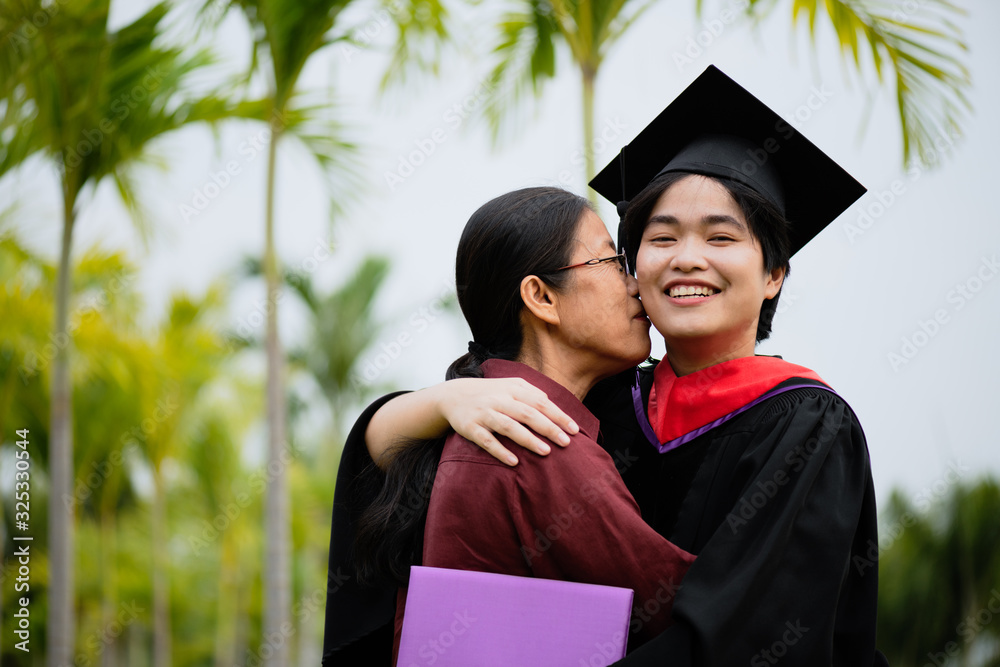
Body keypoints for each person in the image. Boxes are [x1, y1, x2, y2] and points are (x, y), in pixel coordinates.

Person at [323, 65, 885, 666]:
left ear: (773, 274)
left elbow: (760, 634)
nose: (687, 260)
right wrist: (444, 400)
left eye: (721, 239)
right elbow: (383, 459)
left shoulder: (809, 425)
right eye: (660, 239)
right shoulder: (592, 406)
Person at [337, 186, 695, 665]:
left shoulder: (480, 418)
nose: (636, 285)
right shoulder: (536, 438)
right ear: (542, 297)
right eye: (612, 262)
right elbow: (677, 601)